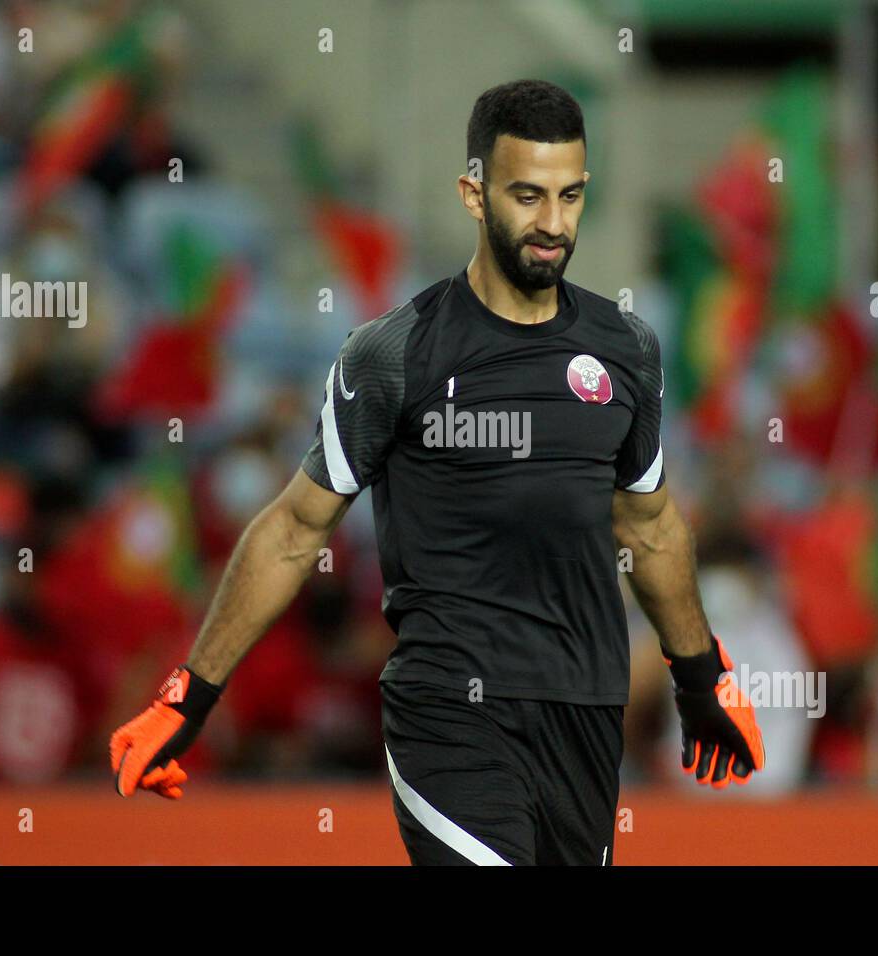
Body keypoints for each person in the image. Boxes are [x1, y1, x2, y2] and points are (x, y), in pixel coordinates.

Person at [109, 79, 765, 865]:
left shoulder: (626, 350)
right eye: (527, 196)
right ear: (473, 192)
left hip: (584, 714)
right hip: (449, 712)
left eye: (570, 196)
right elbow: (294, 528)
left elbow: (649, 526)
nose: (553, 225)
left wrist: (699, 679)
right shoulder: (395, 355)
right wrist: (190, 695)